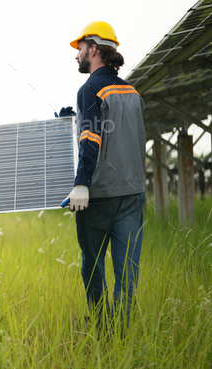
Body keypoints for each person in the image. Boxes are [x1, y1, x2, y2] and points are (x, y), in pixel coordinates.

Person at [63, 21, 147, 327]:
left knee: (93, 266)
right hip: (133, 195)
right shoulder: (133, 92)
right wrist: (73, 122)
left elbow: (92, 138)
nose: (77, 56)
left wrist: (82, 184)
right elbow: (124, 137)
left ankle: (101, 328)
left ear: (94, 50)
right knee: (127, 275)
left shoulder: (90, 89)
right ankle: (121, 336)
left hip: (98, 198)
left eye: (80, 49)